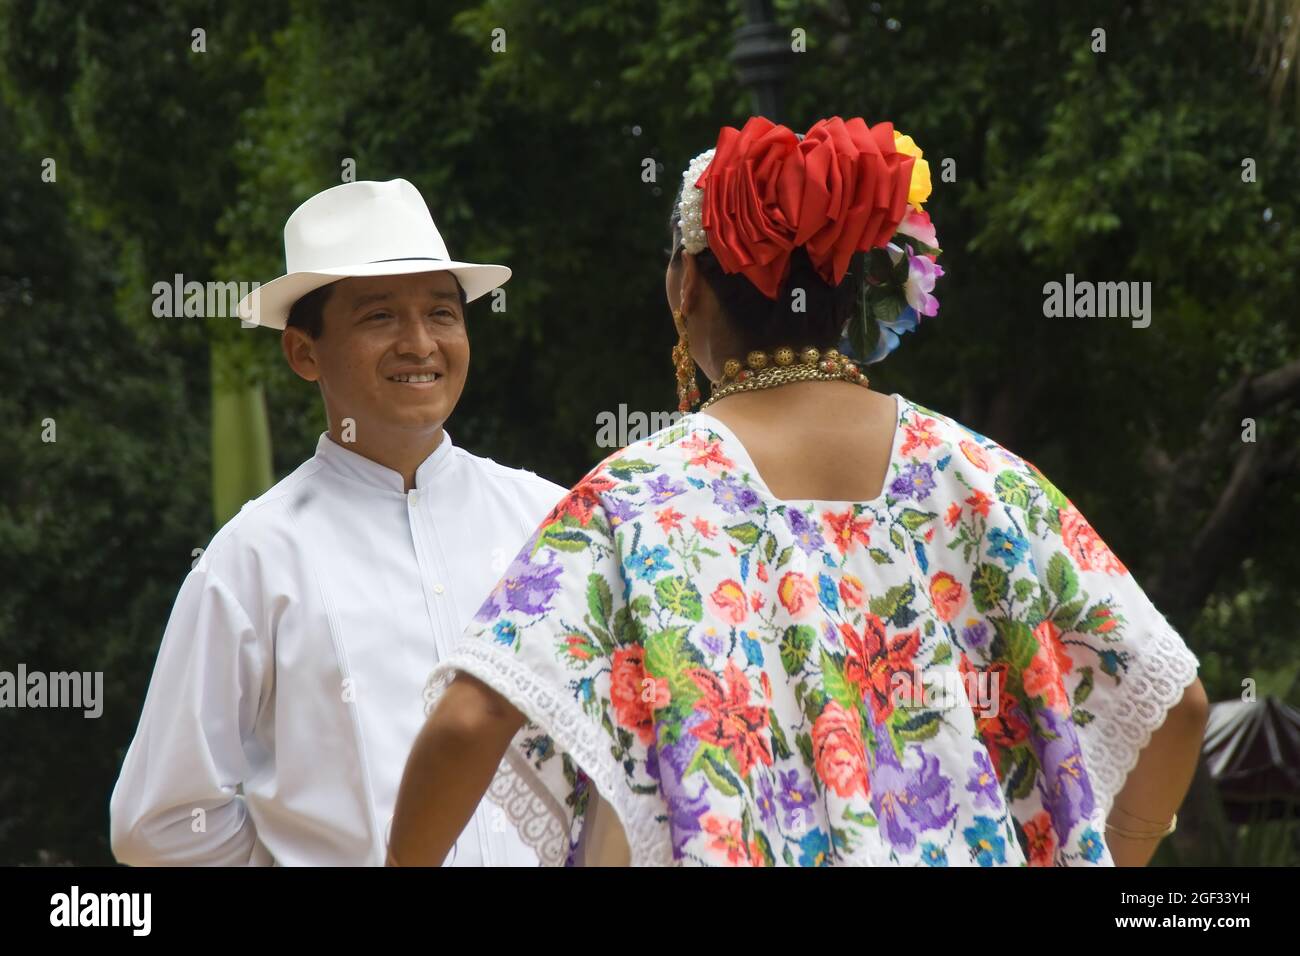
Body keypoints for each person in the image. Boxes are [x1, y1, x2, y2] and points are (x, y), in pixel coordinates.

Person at [387, 117, 1208, 867]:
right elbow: (1179, 703)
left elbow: (469, 721)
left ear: (685, 286)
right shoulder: (986, 482)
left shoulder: (638, 500)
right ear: (856, 287)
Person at [110, 179, 566, 865]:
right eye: (379, 317)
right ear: (303, 352)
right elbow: (160, 822)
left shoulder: (550, 520)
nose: (420, 344)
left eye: (442, 313)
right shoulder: (254, 558)